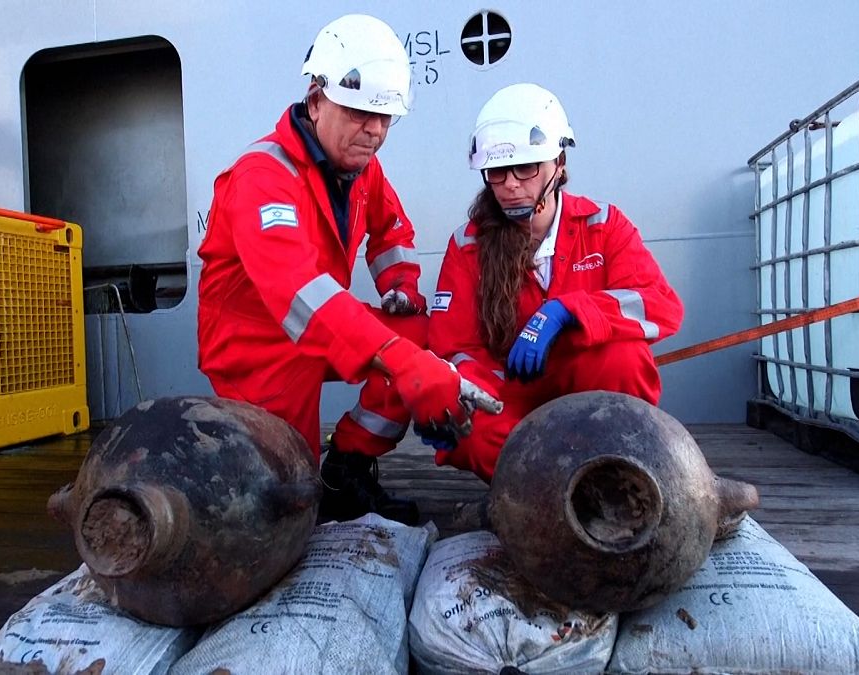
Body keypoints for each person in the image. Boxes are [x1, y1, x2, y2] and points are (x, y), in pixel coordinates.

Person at [197, 14, 499, 525]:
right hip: (257, 348)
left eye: (385, 118)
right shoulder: (260, 178)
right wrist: (403, 363)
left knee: (418, 333)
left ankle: (347, 467)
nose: (375, 131)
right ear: (316, 100)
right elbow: (300, 296)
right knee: (285, 495)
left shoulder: (361, 168)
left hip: (322, 325)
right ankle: (306, 487)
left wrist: (400, 286)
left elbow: (392, 231)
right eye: (360, 112)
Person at [423, 83, 684, 482]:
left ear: (558, 164)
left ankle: (610, 474)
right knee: (470, 427)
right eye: (496, 172)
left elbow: (660, 306)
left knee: (625, 358)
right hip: (512, 396)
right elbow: (453, 346)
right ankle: (563, 490)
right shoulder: (468, 245)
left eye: (526, 168)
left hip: (587, 393)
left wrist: (566, 312)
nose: (511, 184)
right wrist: (482, 390)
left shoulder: (604, 225)